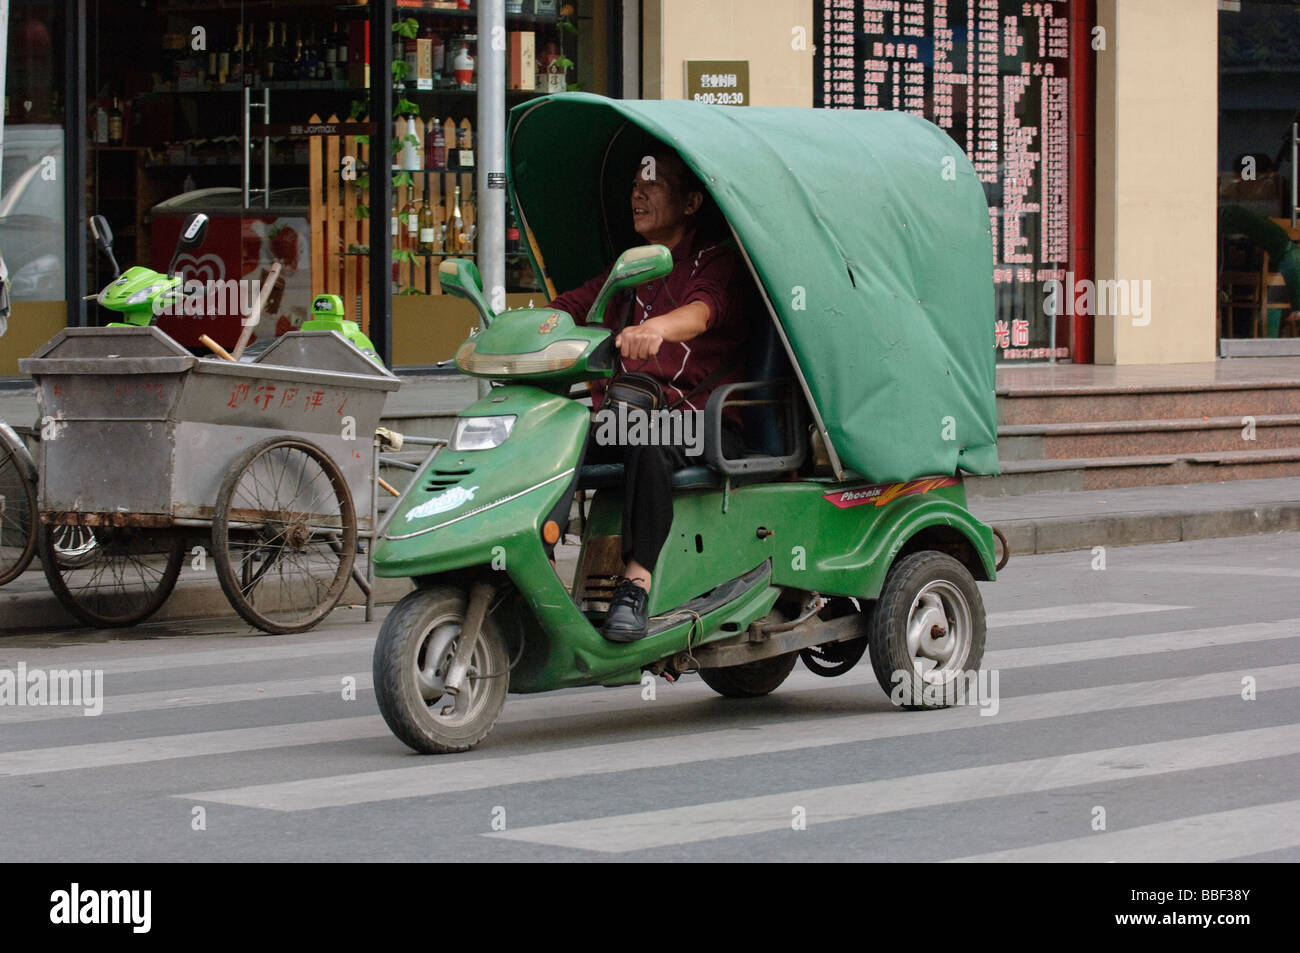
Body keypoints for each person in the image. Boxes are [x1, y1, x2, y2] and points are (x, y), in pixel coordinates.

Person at [547, 147, 751, 642]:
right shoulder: (631, 270)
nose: (637, 193)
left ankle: (636, 582)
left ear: (690, 202)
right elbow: (571, 306)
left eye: (653, 184)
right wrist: (525, 329)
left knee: (647, 435)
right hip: (631, 413)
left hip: (706, 421)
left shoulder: (715, 259)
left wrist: (656, 328)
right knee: (553, 434)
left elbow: (703, 312)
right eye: (636, 184)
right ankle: (540, 561)